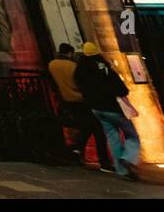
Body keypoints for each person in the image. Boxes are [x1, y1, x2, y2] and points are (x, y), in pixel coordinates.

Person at [73, 42, 141, 180]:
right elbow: (120, 88)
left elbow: (80, 86)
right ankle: (127, 158)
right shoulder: (105, 67)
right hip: (113, 106)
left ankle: (121, 170)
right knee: (131, 135)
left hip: (96, 108)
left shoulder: (81, 70)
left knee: (112, 137)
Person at [48, 42, 110, 169]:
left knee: (86, 126)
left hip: (67, 101)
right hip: (81, 100)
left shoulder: (52, 65)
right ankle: (104, 160)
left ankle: (77, 150)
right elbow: (82, 83)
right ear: (70, 53)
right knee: (97, 128)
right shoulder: (74, 66)